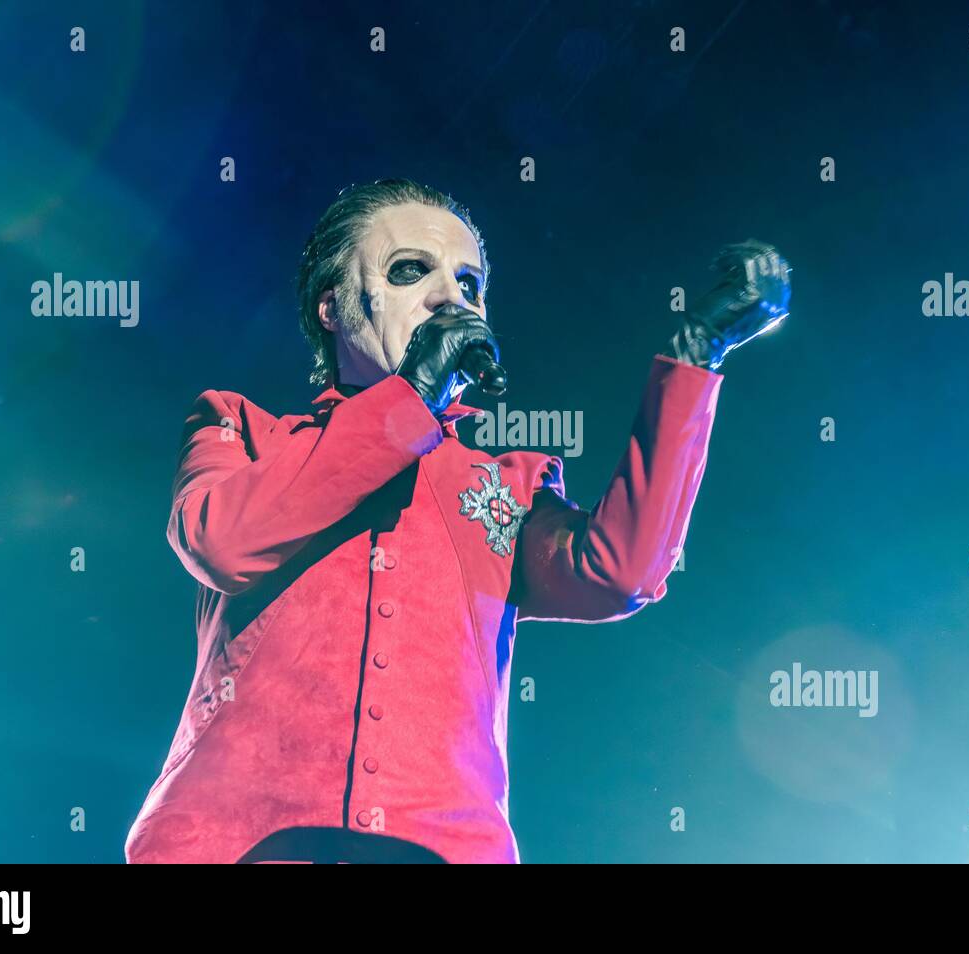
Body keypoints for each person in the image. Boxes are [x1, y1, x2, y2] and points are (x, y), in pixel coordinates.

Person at [125, 178, 791, 863]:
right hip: (235, 844)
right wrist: (407, 397)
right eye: (411, 270)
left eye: (469, 284)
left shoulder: (508, 484)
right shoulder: (241, 428)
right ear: (332, 305)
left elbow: (618, 573)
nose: (451, 297)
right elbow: (223, 543)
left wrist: (696, 353)